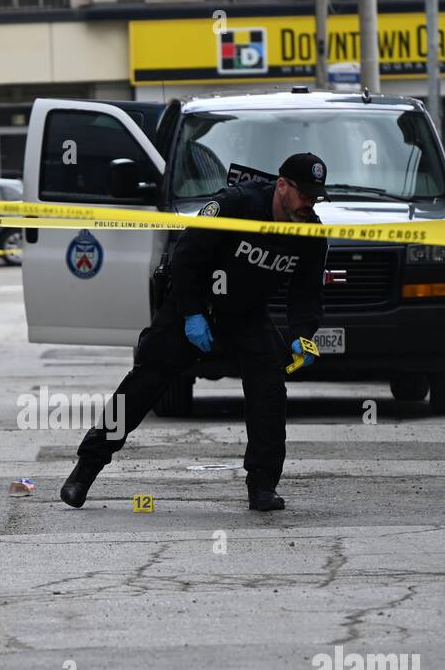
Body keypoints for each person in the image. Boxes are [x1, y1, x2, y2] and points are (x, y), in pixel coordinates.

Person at [60, 152, 330, 512]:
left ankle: (263, 485)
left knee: (269, 390)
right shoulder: (235, 205)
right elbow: (186, 259)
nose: (309, 203)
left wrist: (302, 334)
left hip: (246, 315)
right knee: (144, 384)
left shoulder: (310, 232)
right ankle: (86, 469)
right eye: (304, 194)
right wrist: (191, 314)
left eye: (315, 197)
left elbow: (306, 294)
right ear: (282, 186)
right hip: (193, 306)